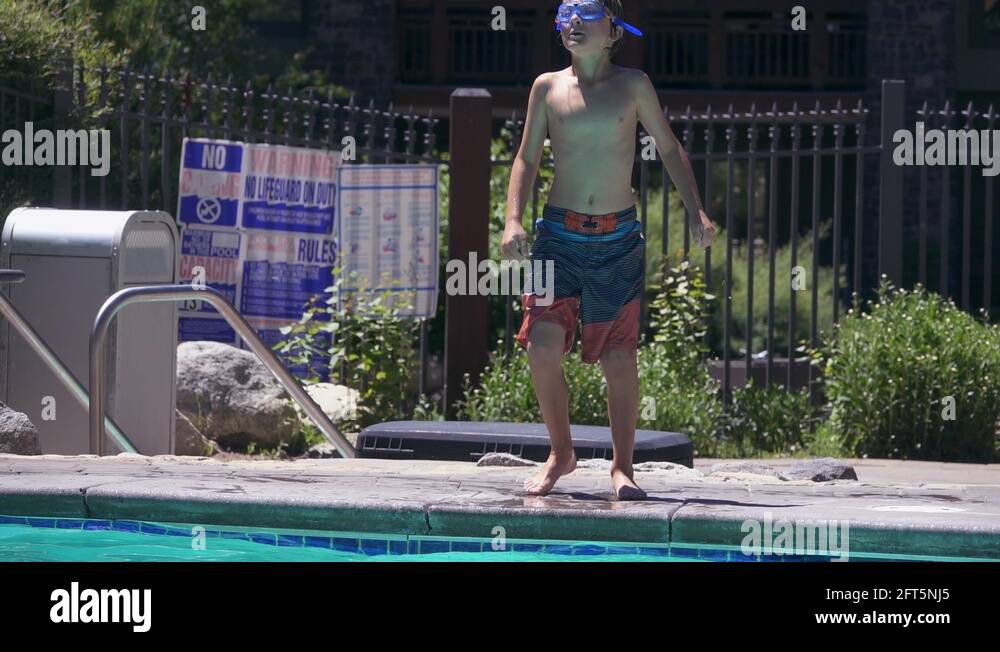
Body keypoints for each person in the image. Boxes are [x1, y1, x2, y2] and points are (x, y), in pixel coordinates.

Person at [501, 0, 717, 499]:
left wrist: (696, 210)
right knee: (541, 345)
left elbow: (667, 146)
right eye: (565, 15)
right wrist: (513, 218)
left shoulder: (633, 85)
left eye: (586, 14)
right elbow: (526, 157)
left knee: (619, 358)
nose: (573, 23)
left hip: (618, 239)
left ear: (613, 31)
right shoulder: (547, 88)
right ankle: (562, 453)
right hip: (556, 234)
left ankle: (623, 467)